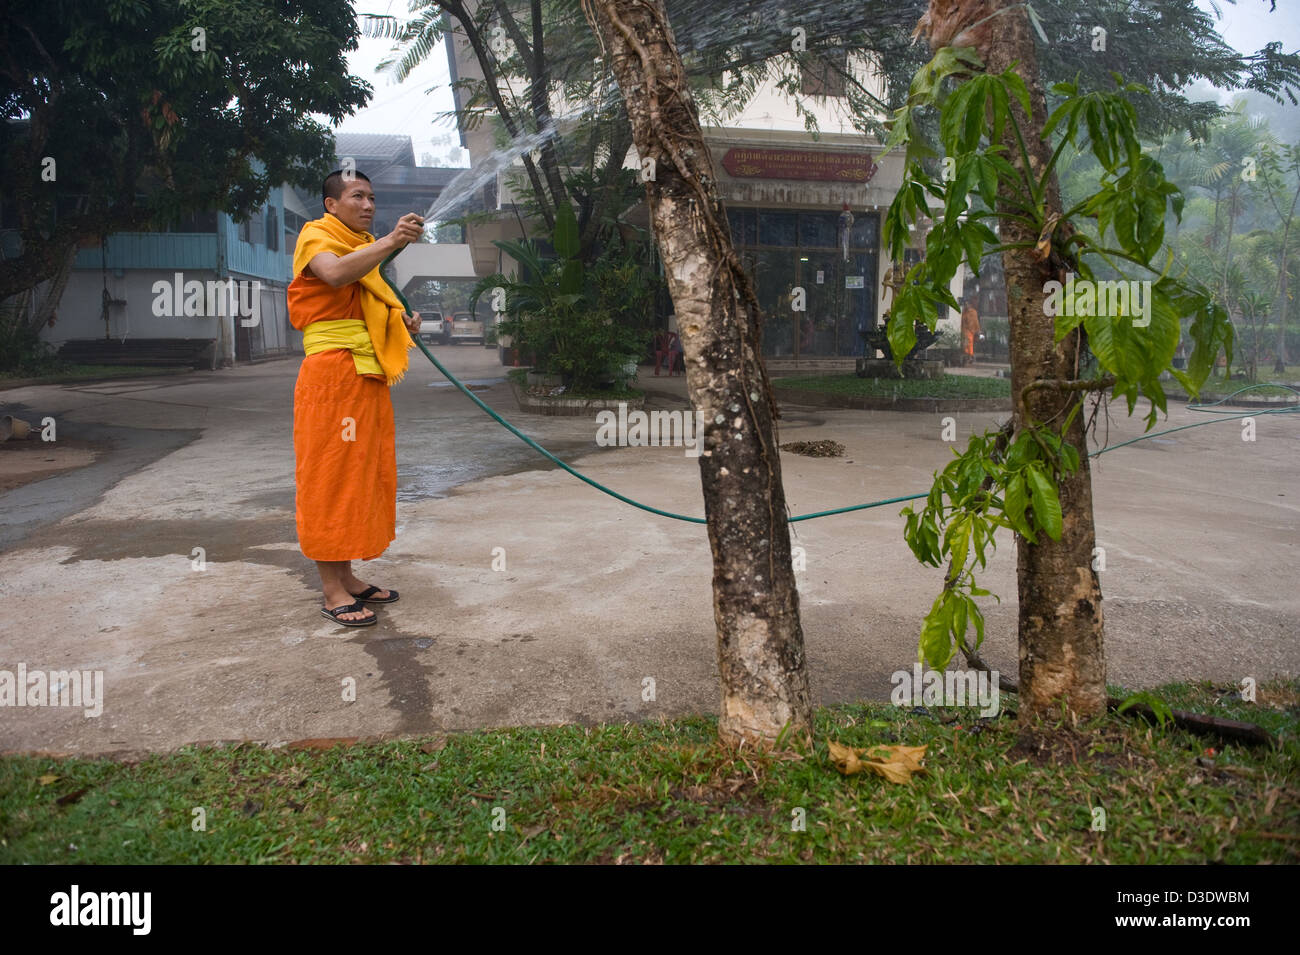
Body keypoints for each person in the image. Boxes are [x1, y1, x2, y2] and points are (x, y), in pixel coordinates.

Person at [288, 170, 424, 626]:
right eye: (356, 196)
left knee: (362, 472)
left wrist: (399, 323)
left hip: (364, 376)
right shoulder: (318, 237)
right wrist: (390, 241)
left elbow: (365, 307)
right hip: (331, 377)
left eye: (371, 197)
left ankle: (347, 577)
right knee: (329, 475)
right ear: (331, 205)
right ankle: (330, 590)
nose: (367, 205)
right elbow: (331, 276)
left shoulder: (361, 250)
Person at [961, 299, 981, 364]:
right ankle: (969, 357)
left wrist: (978, 330)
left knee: (970, 343)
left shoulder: (973, 312)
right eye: (965, 304)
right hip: (965, 330)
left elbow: (976, 321)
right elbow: (962, 322)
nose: (966, 305)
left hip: (972, 330)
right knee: (966, 344)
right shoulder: (964, 312)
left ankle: (970, 357)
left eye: (967, 304)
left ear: (970, 305)